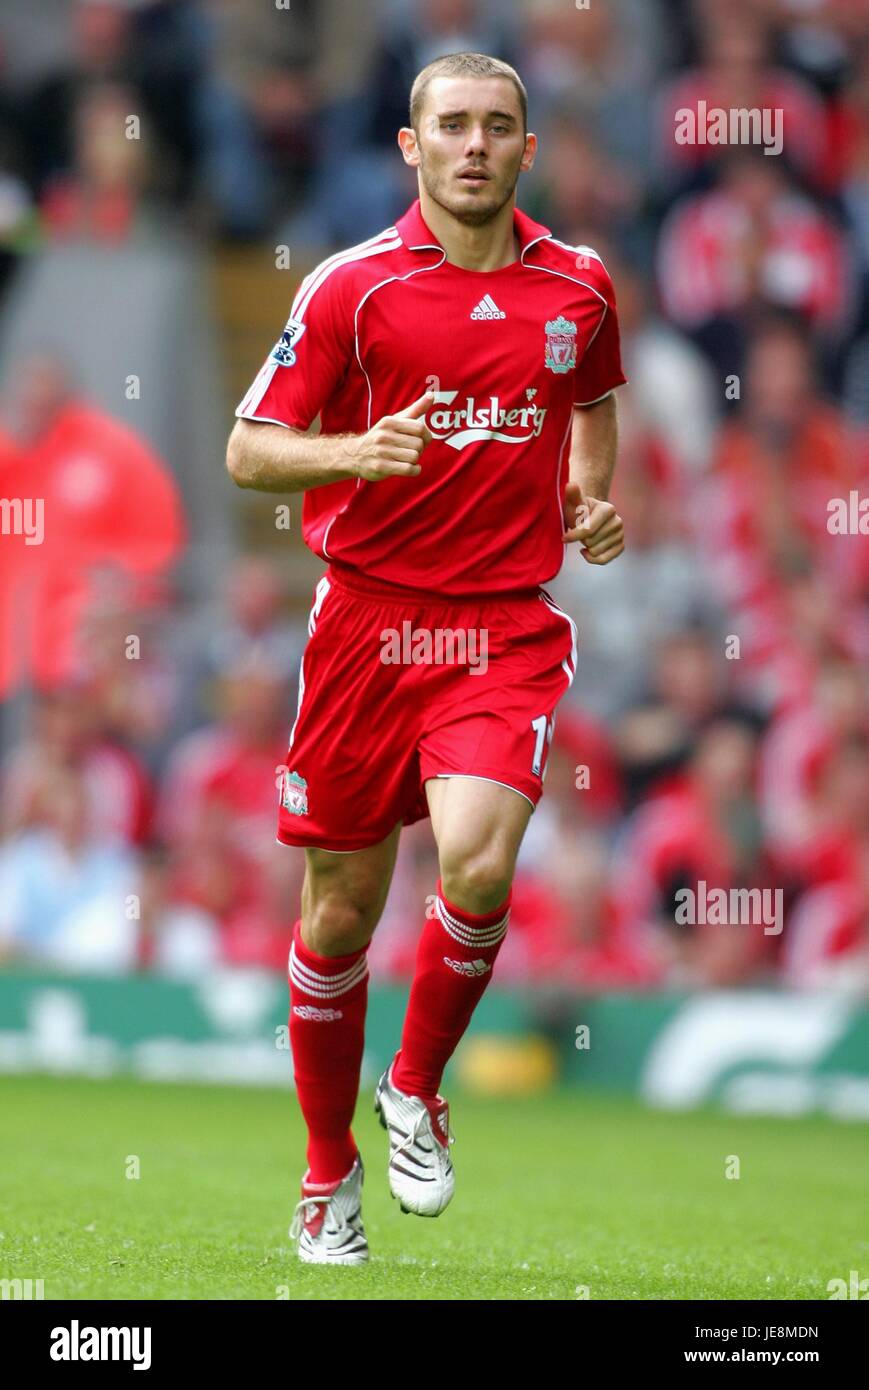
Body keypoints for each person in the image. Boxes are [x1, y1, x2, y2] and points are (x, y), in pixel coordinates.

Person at [226, 51, 627, 1265]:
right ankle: (325, 1169)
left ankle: (414, 1085)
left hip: (499, 627)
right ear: (410, 146)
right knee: (340, 914)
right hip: (363, 626)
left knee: (479, 862)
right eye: (449, 125)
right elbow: (250, 452)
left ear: (524, 150)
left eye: (495, 127)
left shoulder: (580, 287)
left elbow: (593, 406)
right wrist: (356, 454)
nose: (472, 145)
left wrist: (591, 497)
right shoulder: (353, 288)